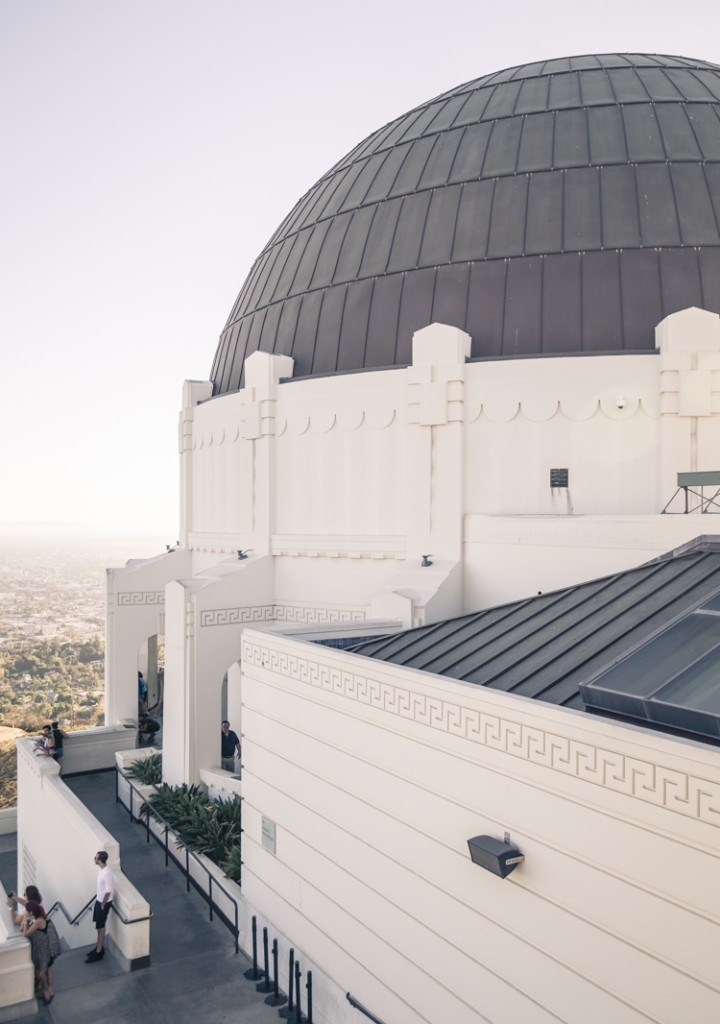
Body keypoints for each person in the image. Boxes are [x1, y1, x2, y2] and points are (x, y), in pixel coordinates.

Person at [6, 895, 60, 1005]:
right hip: (44, 948)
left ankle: (46, 991)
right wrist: (26, 921)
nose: (27, 913)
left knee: (41, 973)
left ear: (32, 912)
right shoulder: (39, 917)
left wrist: (25, 920)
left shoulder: (38, 921)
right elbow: (23, 927)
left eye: (28, 911)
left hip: (44, 950)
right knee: (47, 968)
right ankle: (49, 990)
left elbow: (25, 933)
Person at [86, 851, 114, 963]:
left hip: (104, 903)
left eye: (96, 858)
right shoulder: (102, 870)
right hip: (99, 900)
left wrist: (103, 904)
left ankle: (98, 952)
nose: (95, 859)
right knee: (98, 926)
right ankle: (98, 947)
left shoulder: (107, 873)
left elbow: (108, 890)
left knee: (101, 927)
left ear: (100, 860)